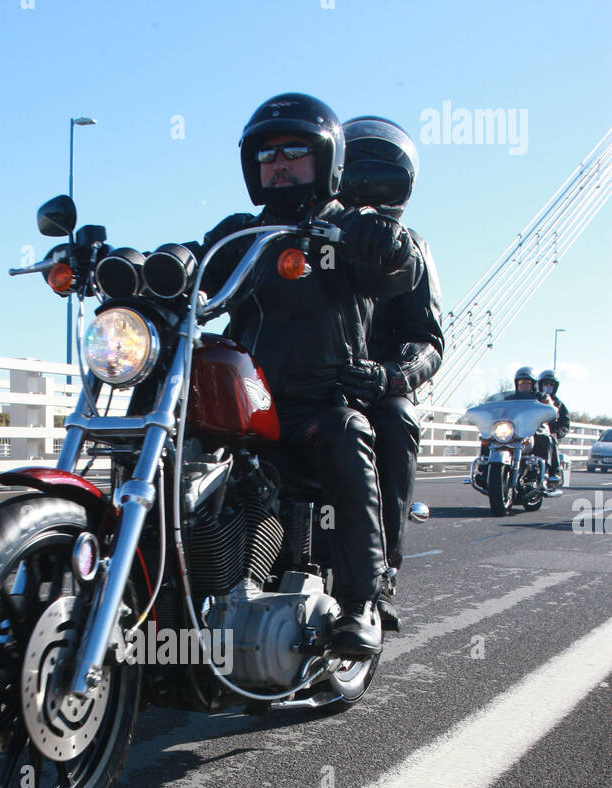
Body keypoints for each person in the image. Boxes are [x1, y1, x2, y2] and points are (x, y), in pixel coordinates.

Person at [183, 94, 424, 658]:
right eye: (267, 155)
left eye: (295, 151)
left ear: (327, 161)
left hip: (316, 407)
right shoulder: (240, 232)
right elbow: (198, 261)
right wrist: (156, 263)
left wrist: (388, 244)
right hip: (245, 406)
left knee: (347, 431)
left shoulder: (349, 228)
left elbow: (398, 267)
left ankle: (364, 596)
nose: (280, 164)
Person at [340, 116, 444, 630]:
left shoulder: (410, 247)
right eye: (353, 168)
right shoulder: (297, 231)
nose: (362, 183)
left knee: (398, 421)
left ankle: (382, 574)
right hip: (299, 376)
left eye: (377, 174)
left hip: (373, 386)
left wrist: (390, 376)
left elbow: (429, 340)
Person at [537, 369, 570, 484]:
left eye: (551, 384)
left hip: (548, 433)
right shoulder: (533, 400)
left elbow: (565, 425)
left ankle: (552, 472)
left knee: (550, 439)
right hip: (530, 432)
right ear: (540, 385)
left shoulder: (559, 405)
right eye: (546, 384)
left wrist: (556, 433)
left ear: (555, 387)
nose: (548, 386)